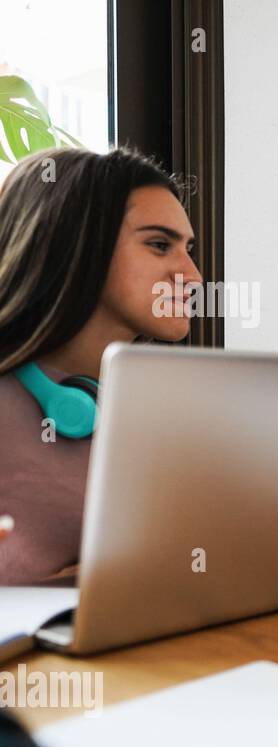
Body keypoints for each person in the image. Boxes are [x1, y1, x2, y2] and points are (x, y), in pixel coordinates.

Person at [0, 147, 201, 585]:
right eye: (159, 245)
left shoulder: (155, 410)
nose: (192, 275)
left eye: (187, 249)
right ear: (72, 242)